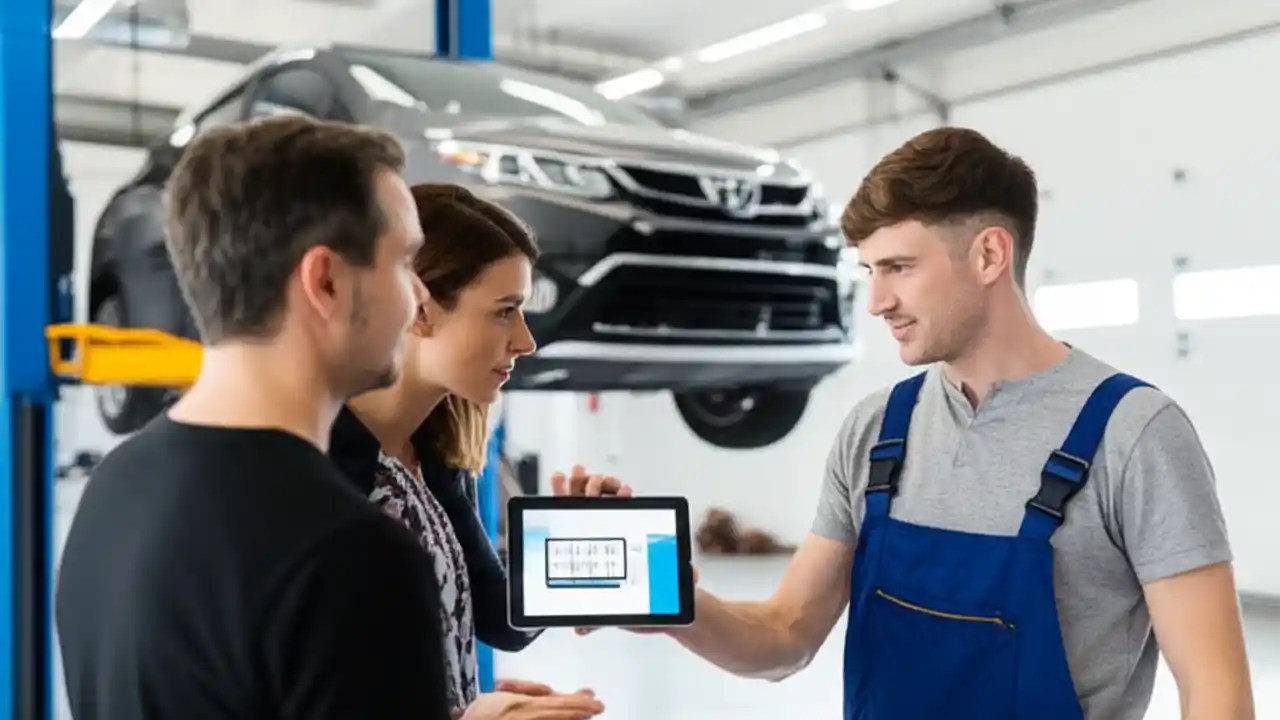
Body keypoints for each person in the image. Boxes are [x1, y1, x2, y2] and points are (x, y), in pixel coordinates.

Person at [567, 127, 1256, 719]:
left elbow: (1217, 694)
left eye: (897, 267)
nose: (876, 301)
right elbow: (782, 637)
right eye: (868, 269)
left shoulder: (1133, 433)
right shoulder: (876, 431)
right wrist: (664, 601)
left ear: (989, 255)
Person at [55, 115, 551, 720]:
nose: (418, 298)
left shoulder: (117, 485)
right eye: (403, 265)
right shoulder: (349, 549)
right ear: (326, 282)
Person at [328, 183, 605, 719]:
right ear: (419, 306)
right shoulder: (318, 471)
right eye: (505, 311)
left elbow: (497, 617)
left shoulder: (433, 457)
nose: (526, 340)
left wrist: (567, 547)